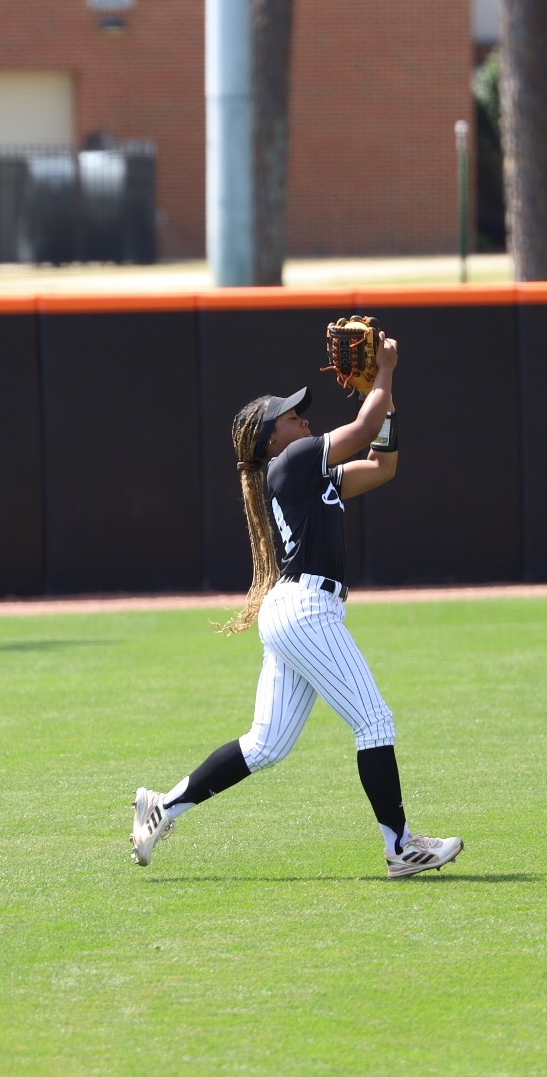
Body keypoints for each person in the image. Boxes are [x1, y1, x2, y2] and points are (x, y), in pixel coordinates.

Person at [130, 333, 462, 877]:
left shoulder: (309, 475)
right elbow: (360, 429)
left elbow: (383, 465)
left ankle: (162, 806)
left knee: (265, 745)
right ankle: (400, 847)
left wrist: (385, 394)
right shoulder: (295, 461)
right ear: (269, 440)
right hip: (306, 608)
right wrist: (385, 371)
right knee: (374, 721)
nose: (303, 419)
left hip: (295, 609)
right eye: (289, 416)